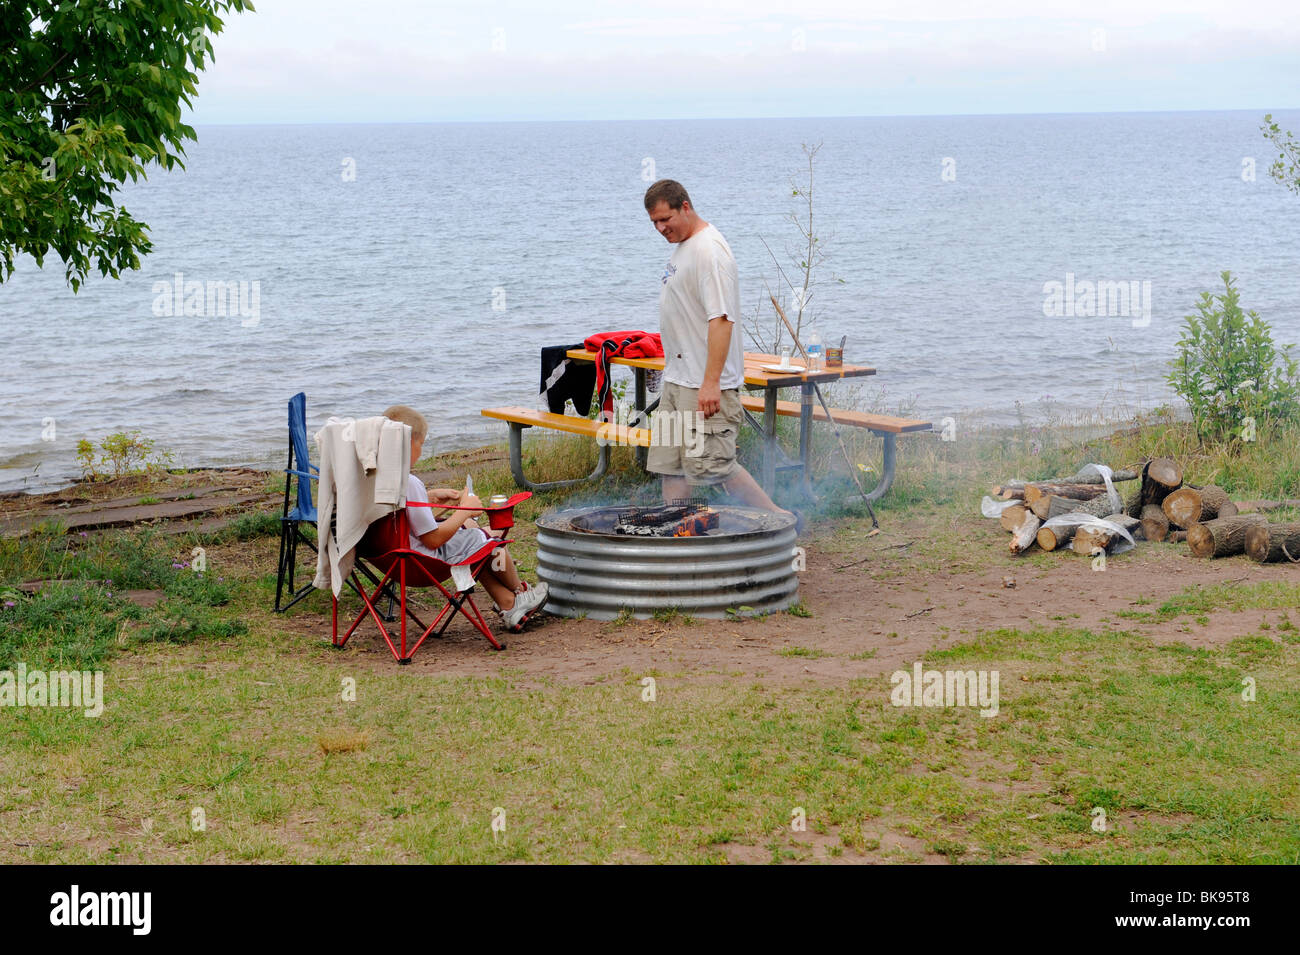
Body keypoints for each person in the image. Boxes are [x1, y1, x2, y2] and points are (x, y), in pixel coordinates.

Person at [643, 179, 799, 525]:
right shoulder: (683, 246)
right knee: (672, 464)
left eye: (665, 219)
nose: (660, 228)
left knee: (714, 466)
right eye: (654, 222)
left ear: (686, 206)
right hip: (677, 380)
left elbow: (721, 320)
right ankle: (678, 530)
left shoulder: (710, 251)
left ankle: (780, 519)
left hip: (704, 384)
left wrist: (711, 382)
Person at [382, 405, 547, 630]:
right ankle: (521, 593)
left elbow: (403, 518)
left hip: (390, 557)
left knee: (470, 532)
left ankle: (508, 604)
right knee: (489, 540)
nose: (421, 450)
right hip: (422, 561)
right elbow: (432, 540)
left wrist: (430, 499)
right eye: (421, 444)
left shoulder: (376, 478)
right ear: (409, 443)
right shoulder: (409, 482)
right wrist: (465, 510)